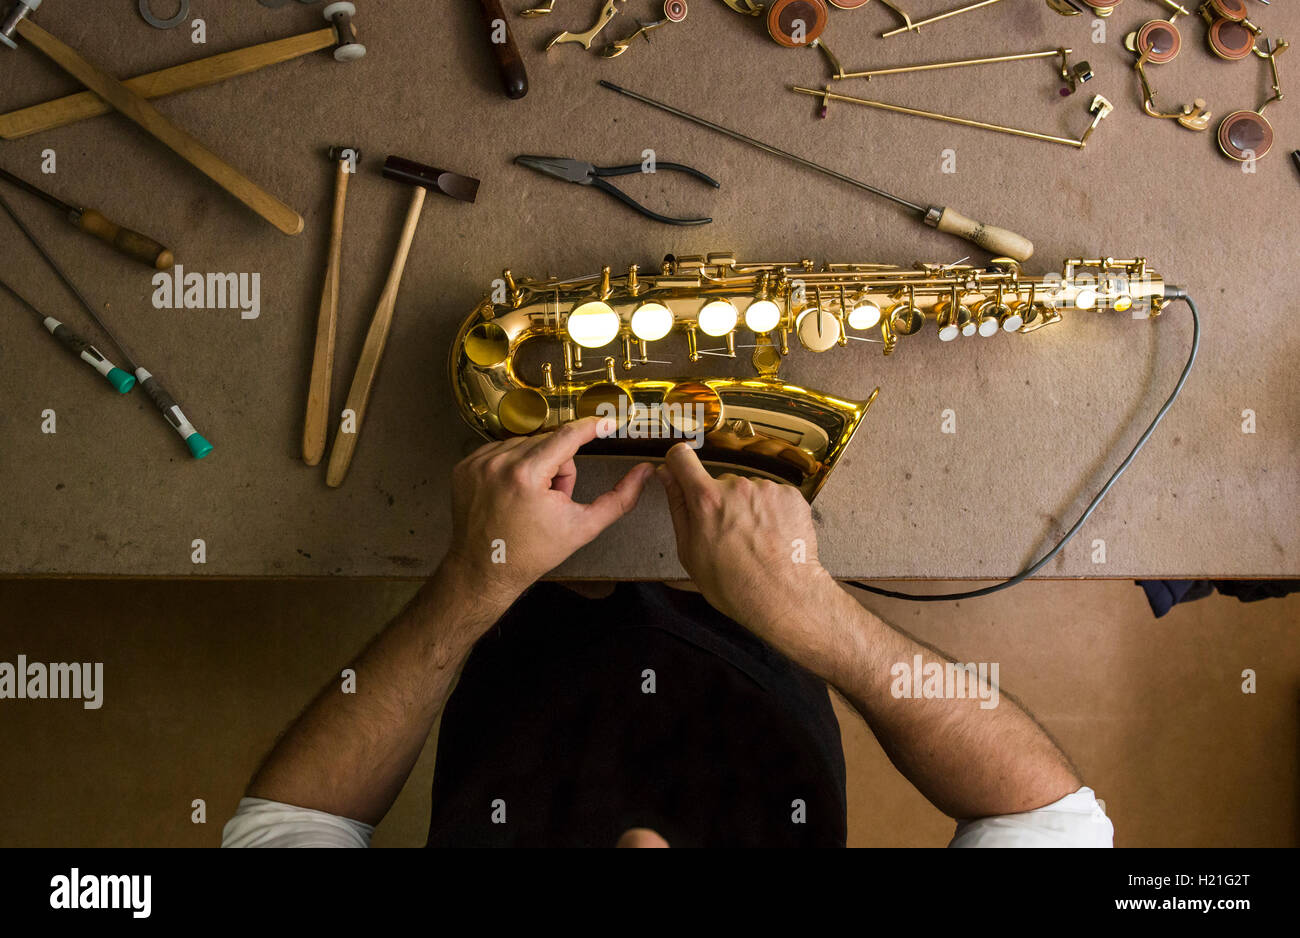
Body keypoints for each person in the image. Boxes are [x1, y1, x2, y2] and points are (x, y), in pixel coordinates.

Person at [222, 417, 1112, 848]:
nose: (642, 847)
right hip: (768, 640)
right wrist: (815, 615)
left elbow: (292, 821)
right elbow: (1044, 816)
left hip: (517, 641)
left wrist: (472, 582)